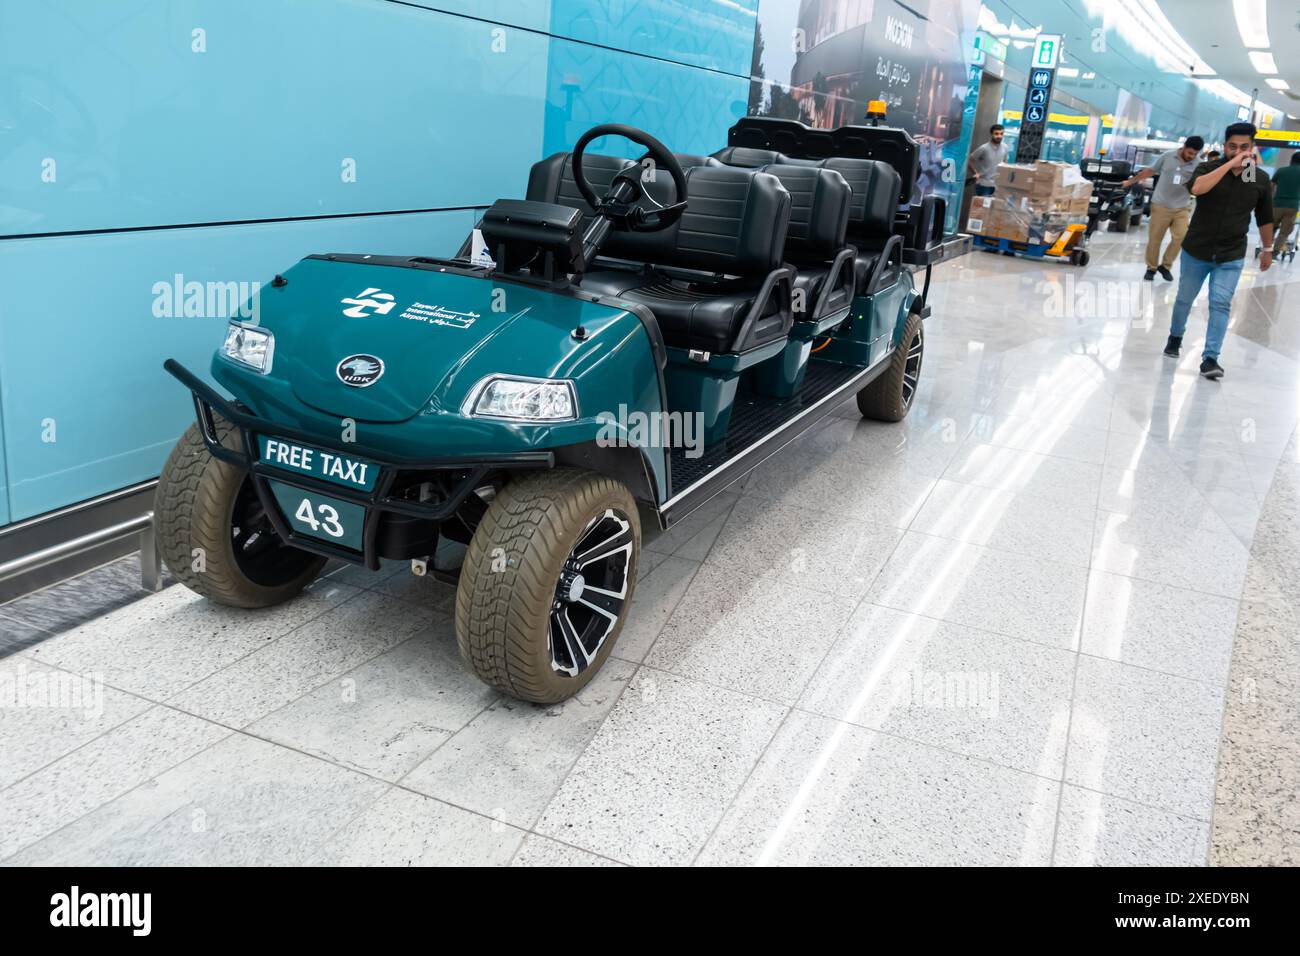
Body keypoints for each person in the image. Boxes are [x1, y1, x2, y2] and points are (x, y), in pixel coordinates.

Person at [1165, 123, 1274, 380]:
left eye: (1244, 147)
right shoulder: (1207, 168)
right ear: (1225, 146)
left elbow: (1265, 217)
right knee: (1183, 299)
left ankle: (1210, 358)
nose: (1238, 151)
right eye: (1232, 147)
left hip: (1231, 253)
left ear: (1252, 148)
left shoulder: (1258, 179)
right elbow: (1197, 189)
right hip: (1198, 249)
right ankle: (1175, 336)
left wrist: (1268, 249)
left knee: (1221, 303)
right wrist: (1230, 164)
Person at [1122, 135, 1204, 281]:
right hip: (1161, 205)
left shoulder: (1199, 164)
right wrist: (1130, 182)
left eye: (1195, 154)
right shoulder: (1167, 156)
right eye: (1190, 152)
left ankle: (1165, 266)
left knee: (1181, 236)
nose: (1192, 156)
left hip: (1182, 207)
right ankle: (1151, 268)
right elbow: (1150, 171)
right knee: (1155, 238)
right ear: (1184, 147)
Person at [1270, 153, 1300, 256]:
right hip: (1292, 206)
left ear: (1291, 160)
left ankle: (1267, 247)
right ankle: (1275, 252)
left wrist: (1270, 199)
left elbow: (1271, 186)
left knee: (1272, 226)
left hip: (1277, 204)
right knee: (1284, 231)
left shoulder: (1281, 171)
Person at [969, 125, 1008, 196]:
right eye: (996, 133)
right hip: (984, 185)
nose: (999, 136)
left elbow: (1005, 163)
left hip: (997, 185)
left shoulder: (1005, 147)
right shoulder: (984, 148)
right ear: (991, 134)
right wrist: (975, 173)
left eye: (1001, 134)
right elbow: (969, 160)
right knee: (982, 206)